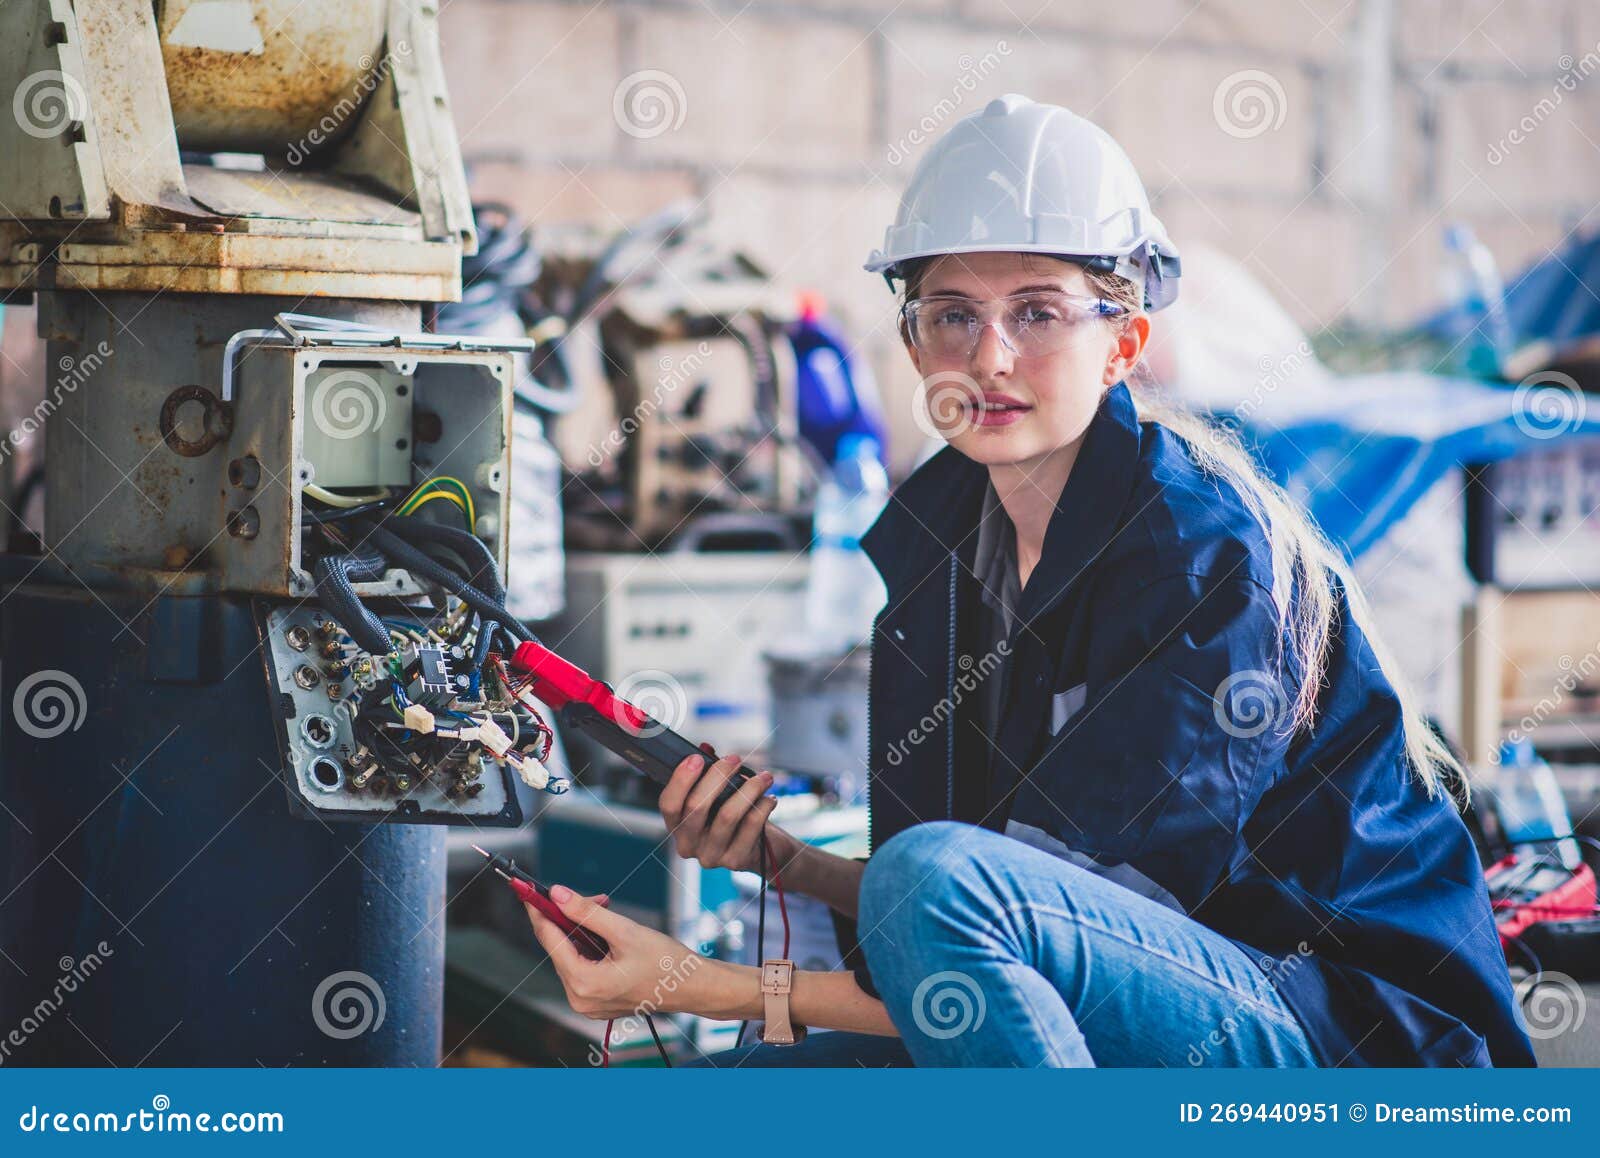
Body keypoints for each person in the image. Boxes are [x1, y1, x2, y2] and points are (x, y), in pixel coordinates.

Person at [522, 94, 1534, 1068]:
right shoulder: (938, 546)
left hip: (1355, 1044)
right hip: (1149, 1018)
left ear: (1123, 345)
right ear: (912, 340)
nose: (989, 357)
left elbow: (1027, 920)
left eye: (1039, 312)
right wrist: (782, 863)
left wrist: (709, 985)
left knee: (926, 881)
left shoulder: (1199, 556)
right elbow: (972, 927)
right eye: (952, 315)